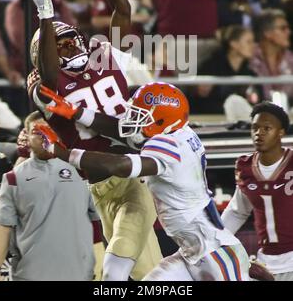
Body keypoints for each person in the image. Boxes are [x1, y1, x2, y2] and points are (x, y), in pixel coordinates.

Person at [26, 0, 162, 281]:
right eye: (59, 42)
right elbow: (52, 78)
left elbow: (123, 10)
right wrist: (45, 18)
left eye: (71, 35)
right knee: (147, 274)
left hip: (128, 171)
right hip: (90, 188)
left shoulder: (105, 55)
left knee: (119, 270)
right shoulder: (44, 82)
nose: (71, 41)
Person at [39, 82, 251, 281]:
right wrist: (77, 113)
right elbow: (125, 133)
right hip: (189, 252)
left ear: (161, 120)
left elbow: (120, 166)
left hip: (215, 252)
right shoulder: (178, 133)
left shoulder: (169, 145)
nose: (132, 119)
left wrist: (63, 153)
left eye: (140, 116)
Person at [0, 117, 97, 281]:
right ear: (26, 136)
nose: (45, 136)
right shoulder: (13, 177)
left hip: (77, 272)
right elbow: (3, 225)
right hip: (31, 273)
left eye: (49, 130)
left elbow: (98, 216)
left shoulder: (79, 170)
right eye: (37, 131)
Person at [222, 101, 293, 281]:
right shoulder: (245, 167)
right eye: (254, 128)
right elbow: (238, 211)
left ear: (281, 132)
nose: (258, 133)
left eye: (266, 128)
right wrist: (213, 242)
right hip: (265, 264)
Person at [194, 25, 258, 114]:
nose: (253, 46)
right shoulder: (211, 67)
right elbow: (201, 100)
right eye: (249, 42)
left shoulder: (250, 71)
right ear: (233, 44)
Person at [250, 9, 293, 103]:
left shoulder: (290, 59)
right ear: (267, 33)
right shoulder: (250, 57)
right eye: (283, 28)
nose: (288, 32)